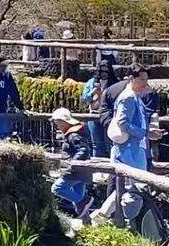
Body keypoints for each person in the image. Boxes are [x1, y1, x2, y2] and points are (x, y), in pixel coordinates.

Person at [99, 65, 161, 223]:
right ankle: (124, 221)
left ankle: (104, 216)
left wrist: (149, 133)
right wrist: (145, 133)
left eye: (146, 80)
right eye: (142, 80)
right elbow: (122, 122)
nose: (145, 84)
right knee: (132, 188)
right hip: (128, 150)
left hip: (135, 150)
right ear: (132, 79)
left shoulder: (136, 96)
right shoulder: (128, 97)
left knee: (129, 188)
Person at [50, 107, 94, 216]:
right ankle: (86, 222)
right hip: (82, 170)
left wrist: (73, 163)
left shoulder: (73, 135)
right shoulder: (75, 132)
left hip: (75, 171)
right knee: (79, 203)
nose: (57, 126)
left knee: (57, 188)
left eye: (57, 123)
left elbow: (83, 149)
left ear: (63, 122)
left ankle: (85, 200)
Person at [82, 60, 116, 159]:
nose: (104, 74)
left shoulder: (114, 83)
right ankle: (97, 169)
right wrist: (93, 93)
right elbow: (84, 98)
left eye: (106, 71)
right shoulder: (91, 82)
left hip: (108, 116)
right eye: (102, 71)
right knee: (96, 145)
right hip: (94, 115)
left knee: (109, 143)